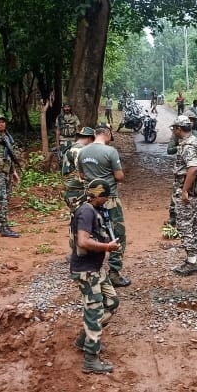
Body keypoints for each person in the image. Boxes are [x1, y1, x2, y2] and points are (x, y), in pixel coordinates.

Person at [69, 180, 121, 375]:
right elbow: (83, 242)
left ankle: (85, 339)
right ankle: (91, 358)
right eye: (106, 197)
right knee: (94, 312)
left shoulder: (94, 209)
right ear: (100, 196)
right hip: (86, 271)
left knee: (112, 302)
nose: (107, 201)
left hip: (96, 268)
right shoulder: (87, 211)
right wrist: (108, 247)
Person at [78, 126, 130, 287]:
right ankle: (114, 272)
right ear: (107, 134)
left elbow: (81, 175)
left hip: (90, 201)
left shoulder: (83, 151)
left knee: (92, 233)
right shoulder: (110, 151)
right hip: (109, 199)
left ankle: (91, 270)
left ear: (95, 134)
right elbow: (119, 176)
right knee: (117, 234)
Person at [170, 115, 197, 275]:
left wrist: (184, 190)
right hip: (196, 190)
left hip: (189, 192)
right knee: (196, 223)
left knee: (185, 224)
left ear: (178, 129)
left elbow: (192, 168)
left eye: (174, 128)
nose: (173, 131)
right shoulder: (193, 141)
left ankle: (191, 261)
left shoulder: (188, 145)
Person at [62, 126, 97, 211]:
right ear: (89, 138)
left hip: (72, 190)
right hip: (77, 192)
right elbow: (82, 172)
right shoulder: (79, 150)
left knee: (78, 218)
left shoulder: (72, 147)